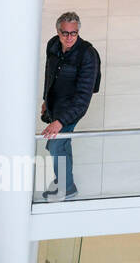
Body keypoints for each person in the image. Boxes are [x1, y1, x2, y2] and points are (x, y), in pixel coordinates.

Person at [41, 11, 101, 200]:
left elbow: (83, 98)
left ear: (78, 32)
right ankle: (64, 179)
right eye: (65, 33)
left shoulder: (87, 55)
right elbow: (48, 74)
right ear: (58, 32)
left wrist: (60, 121)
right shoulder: (52, 45)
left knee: (56, 146)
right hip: (55, 103)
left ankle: (67, 189)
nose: (69, 38)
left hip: (72, 107)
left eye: (73, 33)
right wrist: (45, 99)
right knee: (61, 145)